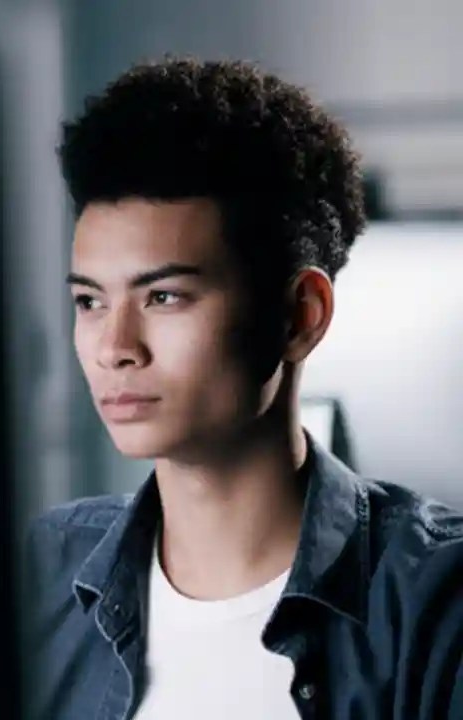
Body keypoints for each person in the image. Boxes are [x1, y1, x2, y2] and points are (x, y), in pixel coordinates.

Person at [27, 57, 463, 720]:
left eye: (165, 296)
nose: (115, 348)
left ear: (300, 316)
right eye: (90, 301)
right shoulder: (38, 574)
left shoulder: (437, 600)